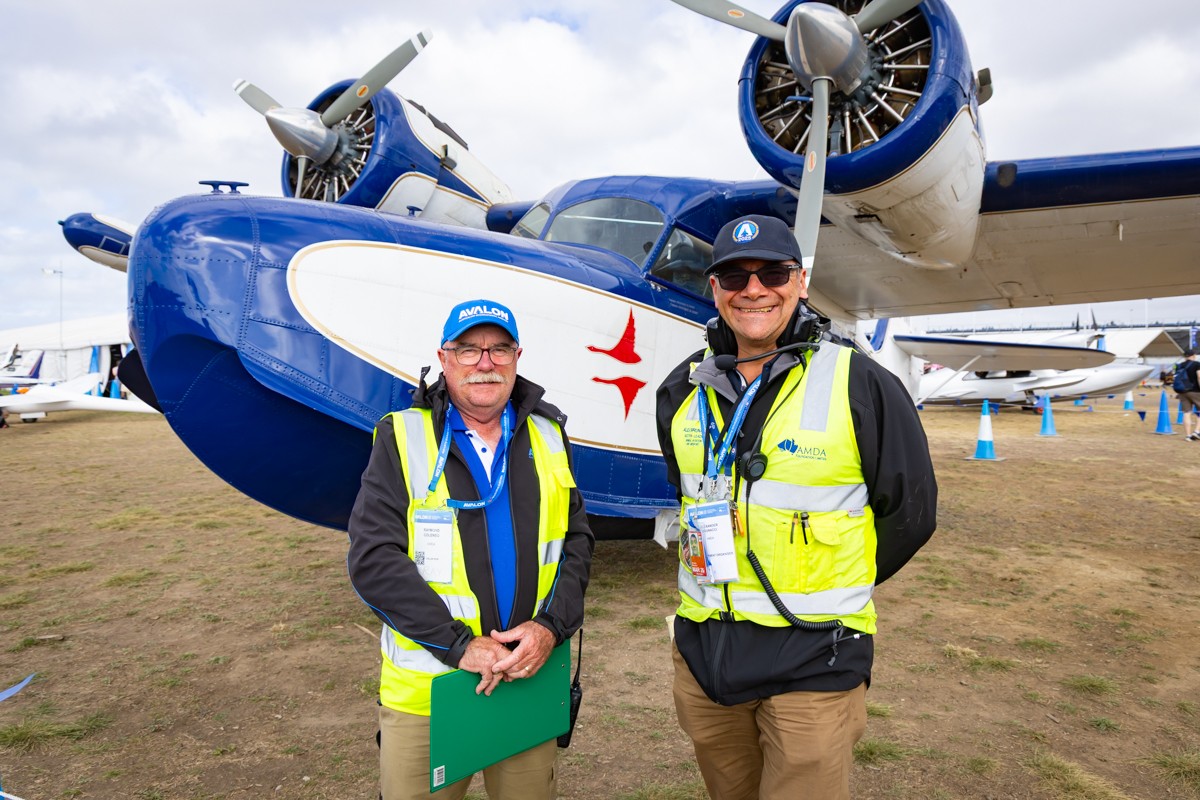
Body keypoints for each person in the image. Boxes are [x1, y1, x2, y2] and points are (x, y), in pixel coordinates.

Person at [656, 215, 938, 800]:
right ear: (715, 289)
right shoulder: (680, 391)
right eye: (734, 275)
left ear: (801, 282)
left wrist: (834, 580)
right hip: (706, 656)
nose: (753, 288)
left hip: (815, 658)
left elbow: (911, 514)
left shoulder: (862, 383)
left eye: (772, 273)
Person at [347, 299, 594, 800]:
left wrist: (549, 629)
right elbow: (373, 559)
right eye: (468, 349)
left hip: (529, 674)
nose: (485, 362)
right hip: (431, 693)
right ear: (444, 358)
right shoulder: (402, 435)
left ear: (517, 356)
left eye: (499, 348)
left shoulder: (549, 434)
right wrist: (459, 645)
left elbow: (576, 542)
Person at [1174, 348, 1200, 441]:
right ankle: (1197, 432)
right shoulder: (1197, 364)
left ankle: (1188, 436)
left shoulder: (1179, 365)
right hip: (1195, 391)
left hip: (1182, 392)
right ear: (1193, 355)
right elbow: (1199, 376)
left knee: (1187, 413)